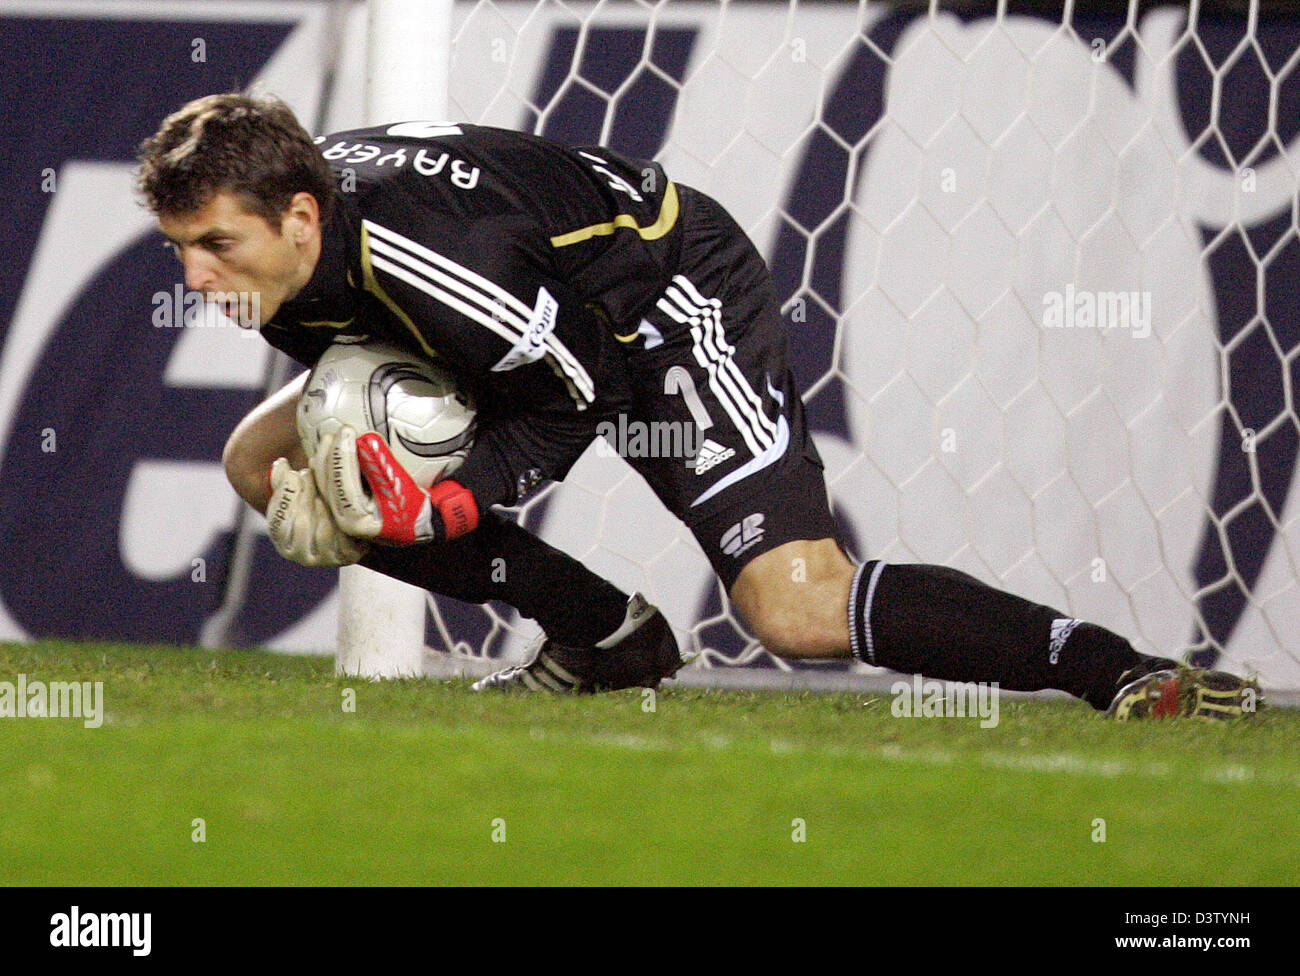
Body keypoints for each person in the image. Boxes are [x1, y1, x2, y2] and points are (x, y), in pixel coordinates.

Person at [136, 92, 1257, 720]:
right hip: (530, 319)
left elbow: (576, 396)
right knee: (262, 464)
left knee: (795, 606)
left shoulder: (430, 257)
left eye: (214, 246)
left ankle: (1110, 667)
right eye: (181, 249)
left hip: (659, 302)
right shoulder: (286, 253)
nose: (195, 280)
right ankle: (605, 636)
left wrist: (445, 505)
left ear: (298, 216)